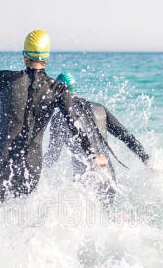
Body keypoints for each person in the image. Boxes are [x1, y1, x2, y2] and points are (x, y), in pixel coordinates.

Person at [0, 30, 107, 207]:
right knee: (21, 218)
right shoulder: (57, 89)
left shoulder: (6, 78)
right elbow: (74, 123)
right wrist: (93, 154)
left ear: (24, 56)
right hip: (31, 165)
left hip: (2, 160)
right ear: (47, 58)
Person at [44, 71, 150, 207]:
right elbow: (125, 136)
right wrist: (146, 159)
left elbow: (53, 156)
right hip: (108, 175)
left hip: (86, 180)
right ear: (75, 88)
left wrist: (35, 169)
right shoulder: (99, 109)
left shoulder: (59, 118)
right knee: (107, 218)